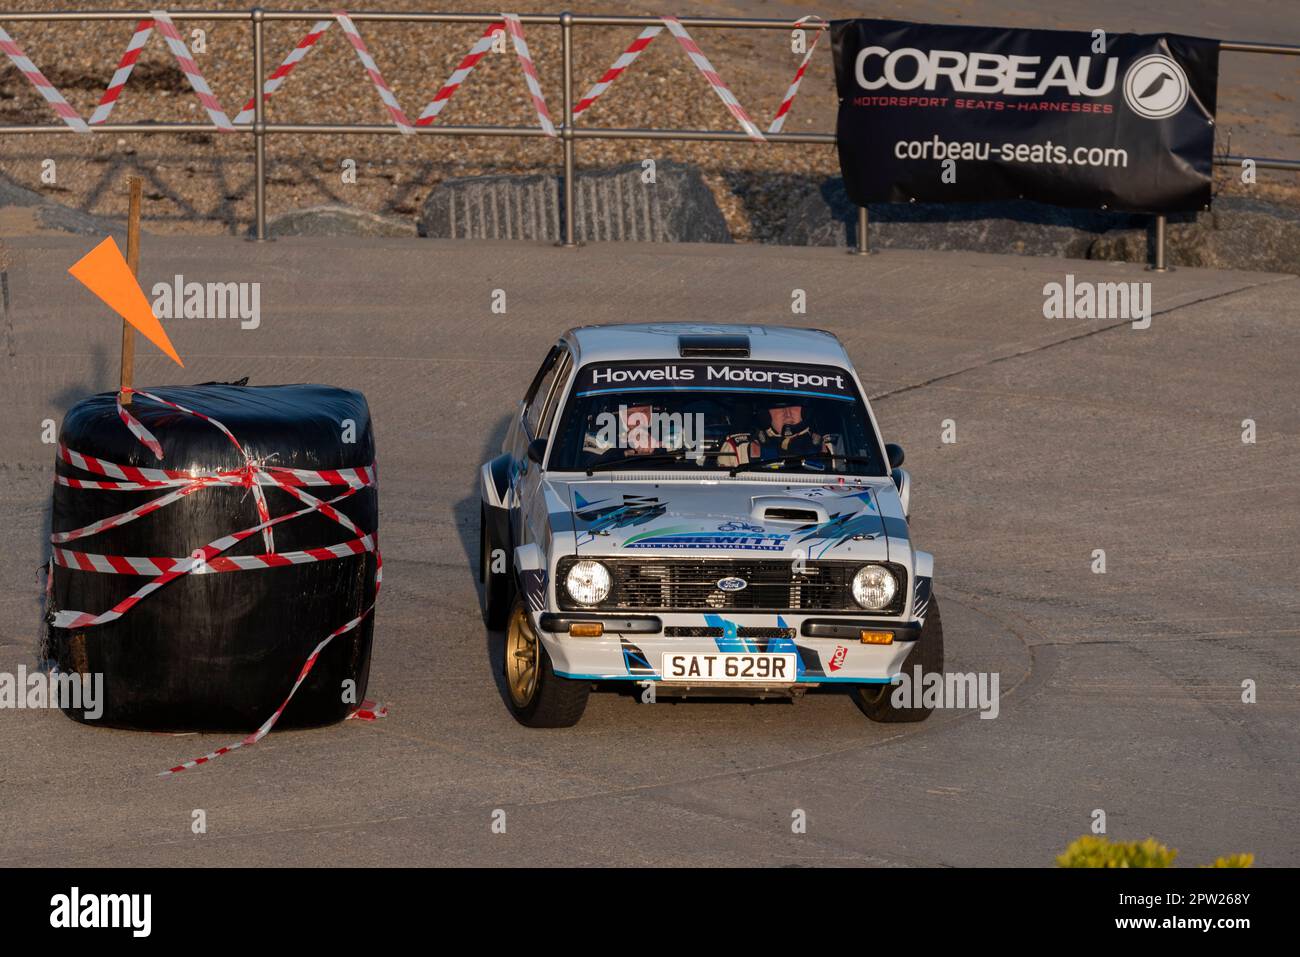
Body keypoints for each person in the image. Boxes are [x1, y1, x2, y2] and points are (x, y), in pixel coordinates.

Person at [718, 400, 831, 467]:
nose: (787, 413)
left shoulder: (828, 446)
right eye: (779, 408)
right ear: (765, 415)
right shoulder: (739, 448)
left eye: (794, 406)